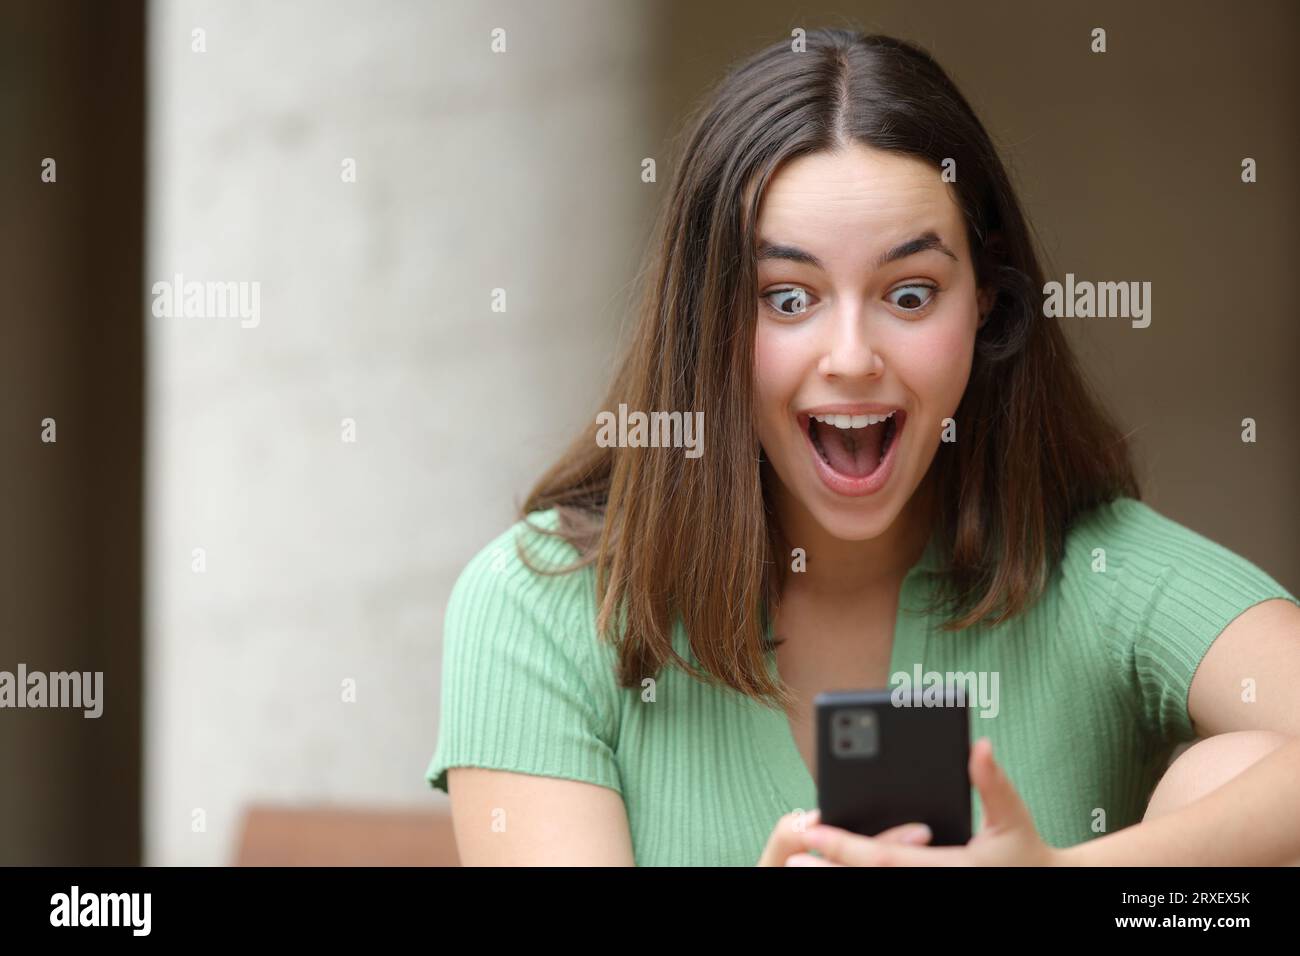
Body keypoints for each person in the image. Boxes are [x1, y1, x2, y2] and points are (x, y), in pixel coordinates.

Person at [426, 29, 1300, 866]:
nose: (851, 359)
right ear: (708, 320)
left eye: (911, 294)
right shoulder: (541, 606)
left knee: (1231, 782)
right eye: (788, 298)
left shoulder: (1095, 570)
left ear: (986, 303)